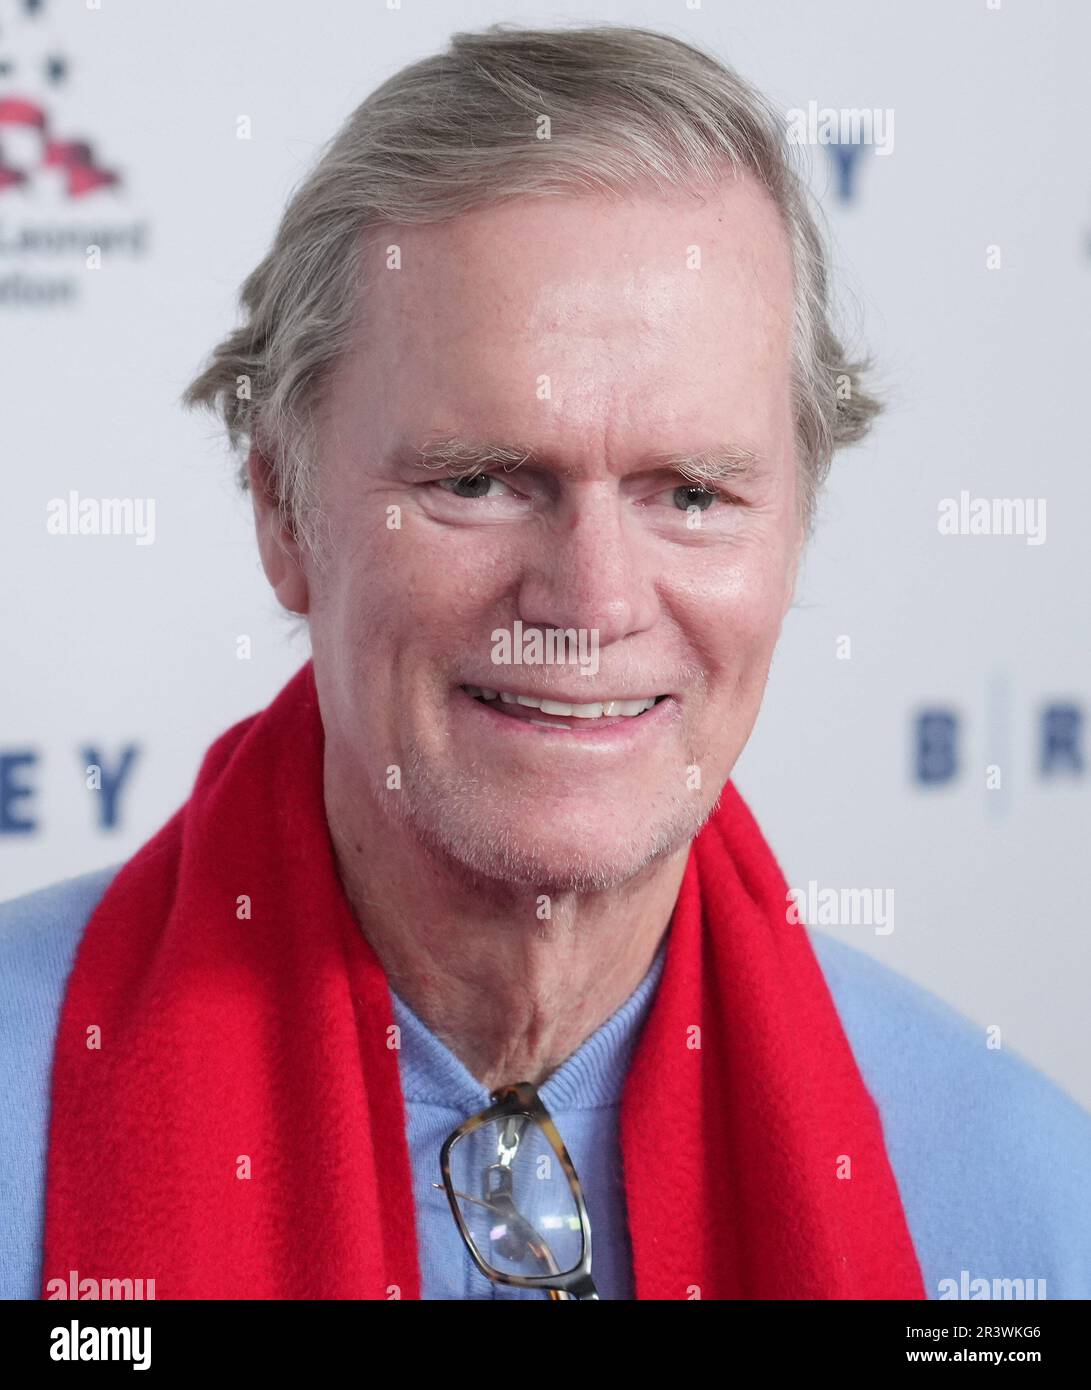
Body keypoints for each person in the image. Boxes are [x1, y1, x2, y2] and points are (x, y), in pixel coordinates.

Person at [2, 23, 1088, 1302]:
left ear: (795, 536)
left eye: (689, 494)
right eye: (477, 480)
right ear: (282, 514)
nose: (590, 599)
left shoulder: (1020, 1198)